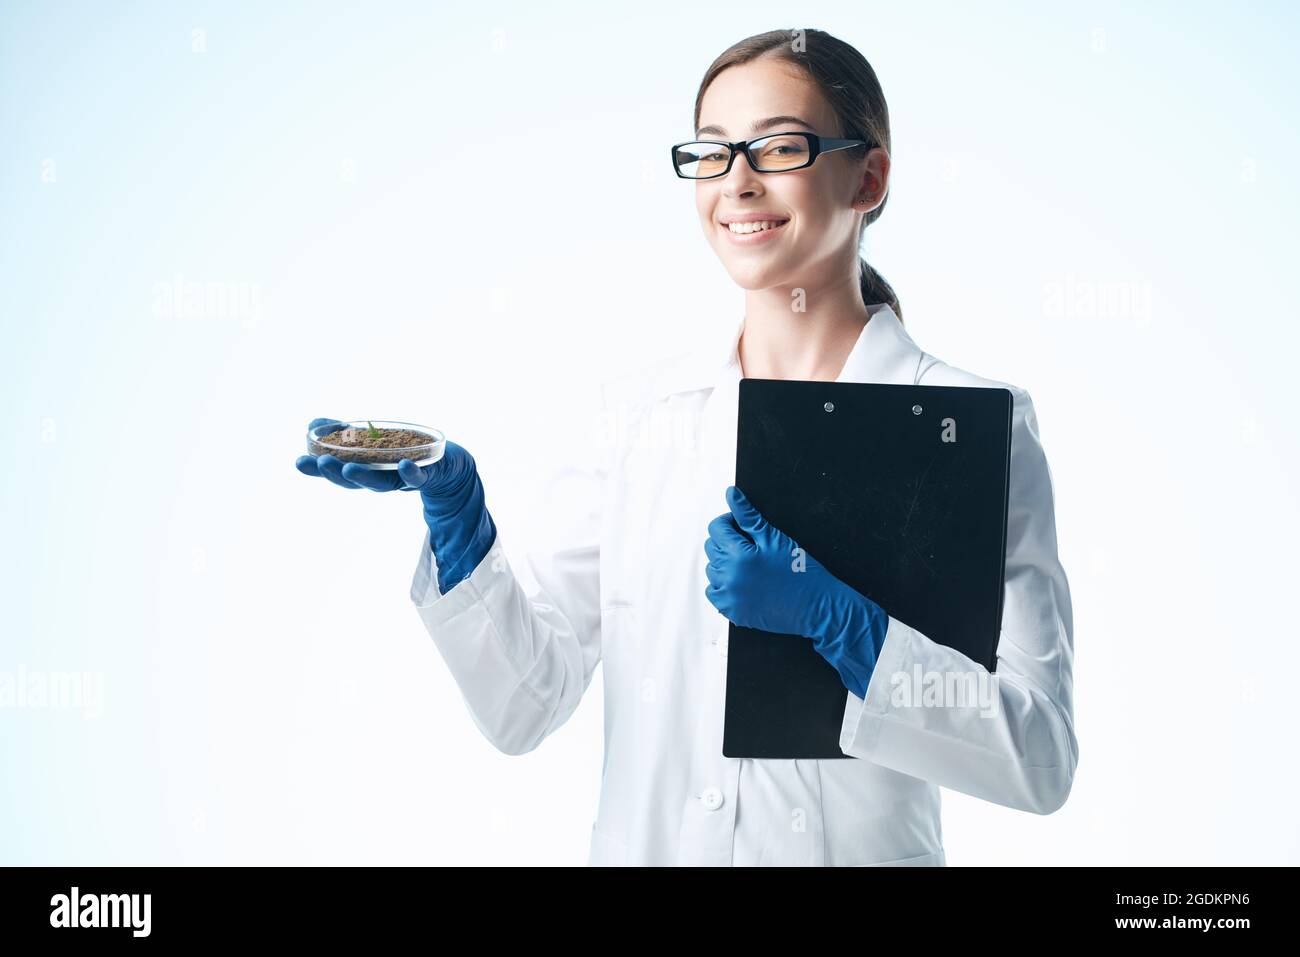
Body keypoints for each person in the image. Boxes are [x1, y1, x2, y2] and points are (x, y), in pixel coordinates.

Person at [295, 27, 1076, 866]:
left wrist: (846, 626)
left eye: (779, 146)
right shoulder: (638, 421)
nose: (737, 181)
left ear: (869, 178)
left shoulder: (972, 425)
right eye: (711, 153)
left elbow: (1041, 753)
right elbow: (525, 703)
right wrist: (461, 529)